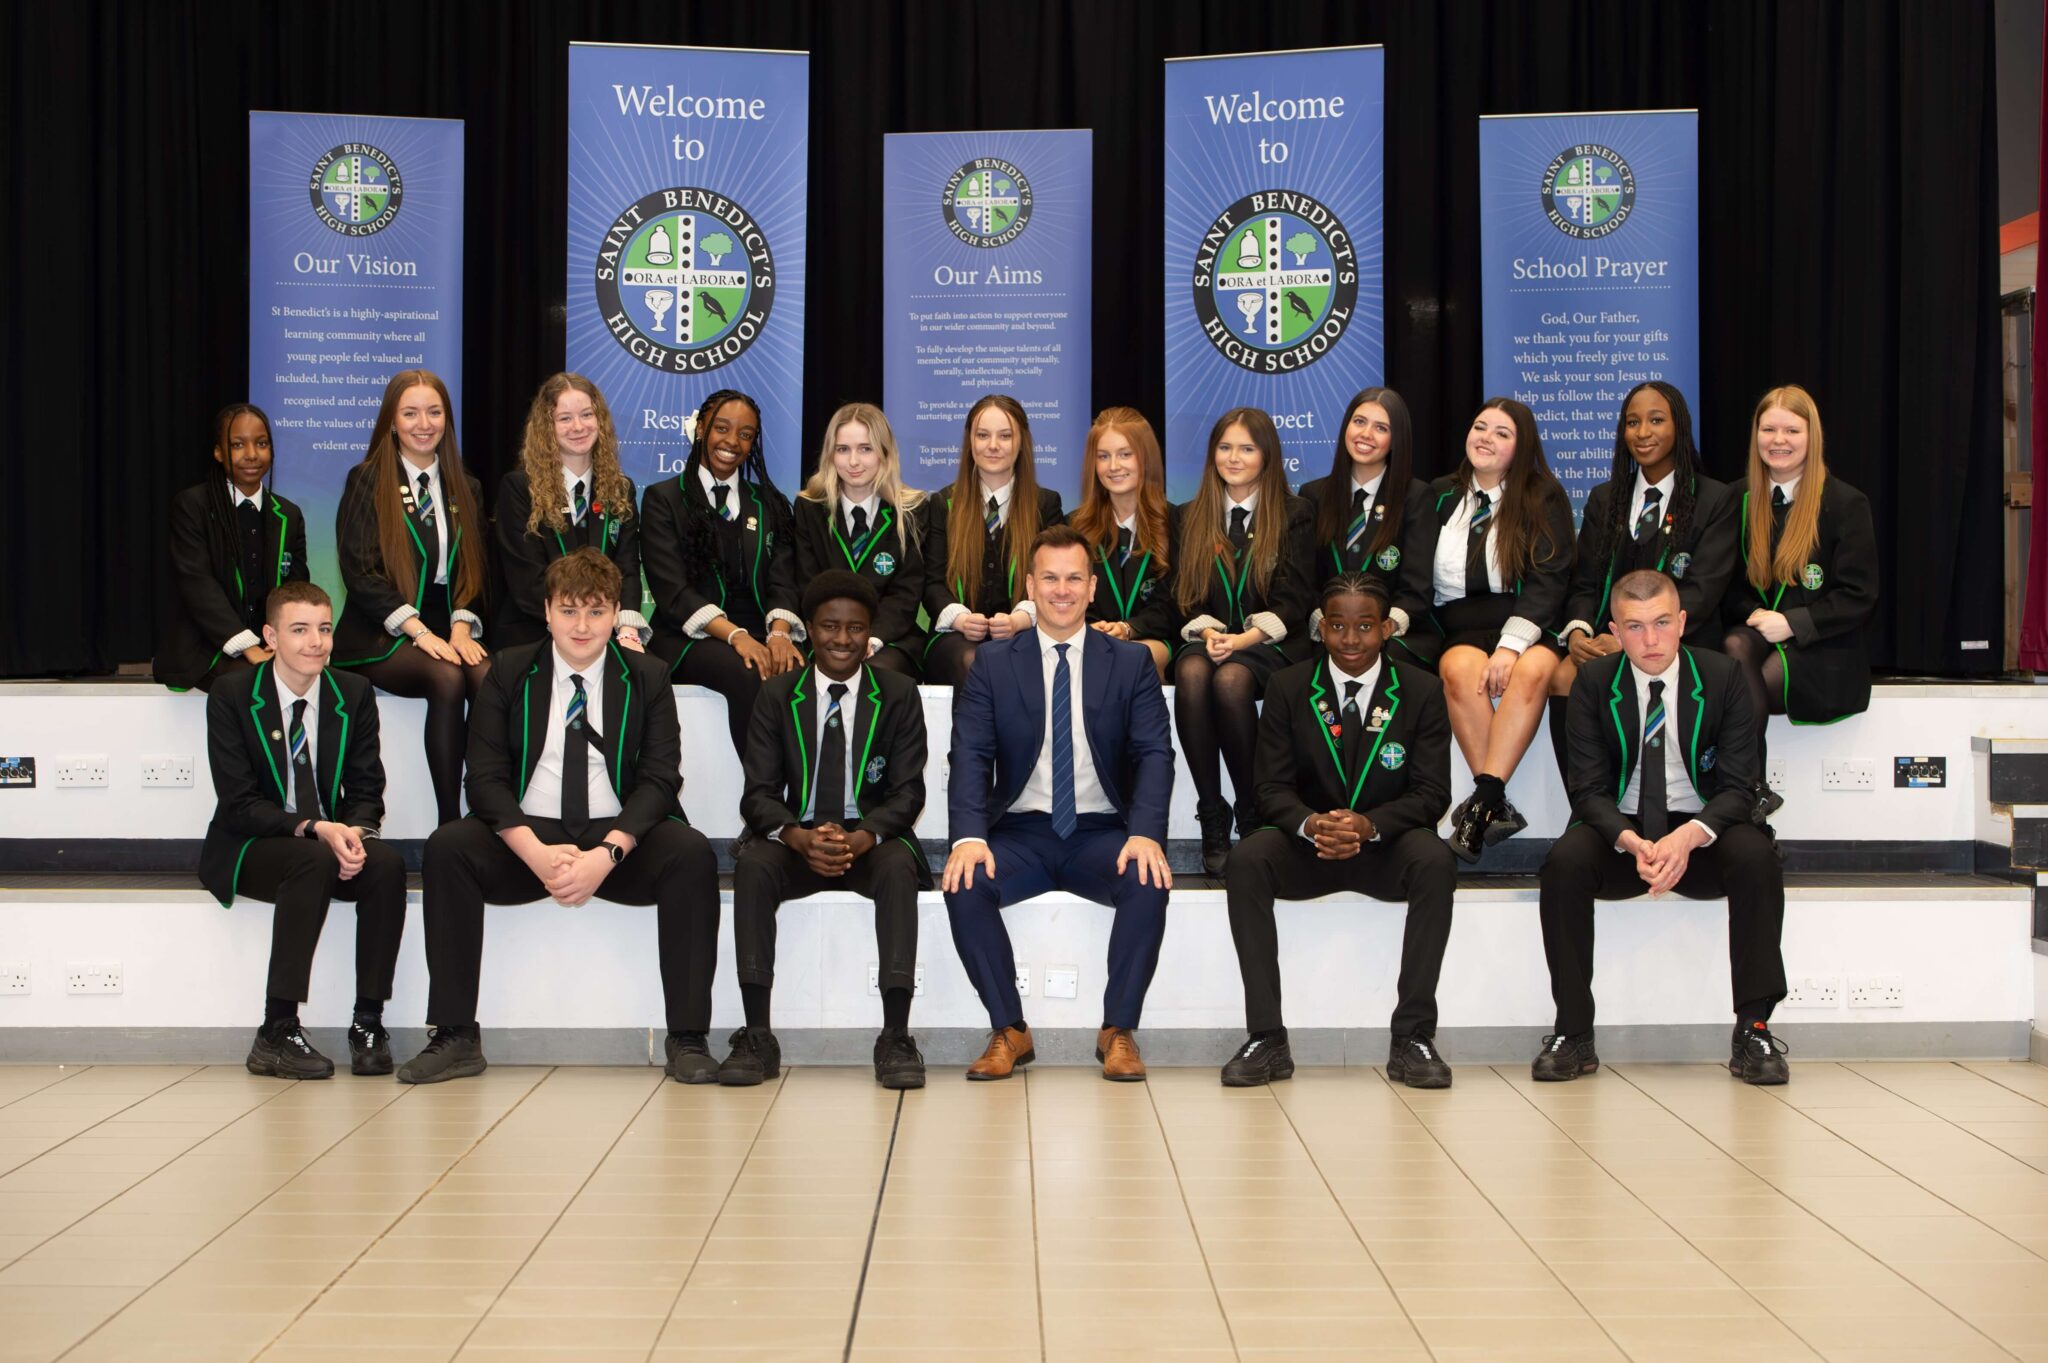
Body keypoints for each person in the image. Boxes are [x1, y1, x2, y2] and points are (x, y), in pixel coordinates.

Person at [396, 549, 721, 1085]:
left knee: (691, 855)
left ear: (617, 613)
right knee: (448, 847)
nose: (582, 626)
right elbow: (484, 778)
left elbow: (661, 779)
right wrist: (536, 853)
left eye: (596, 612)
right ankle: (455, 1035)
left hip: (612, 833)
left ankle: (687, 1038)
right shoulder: (506, 669)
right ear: (546, 611)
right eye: (569, 611)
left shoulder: (648, 675)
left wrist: (607, 854)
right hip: (530, 834)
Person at [1537, 569, 1789, 1085]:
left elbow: (1740, 786)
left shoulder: (1724, 677)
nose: (1650, 641)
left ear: (1682, 623)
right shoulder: (1591, 681)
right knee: (1563, 863)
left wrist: (1687, 836)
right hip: (1622, 831)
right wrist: (1628, 840)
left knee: (1756, 857)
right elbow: (1586, 790)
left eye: (1661, 624)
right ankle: (1573, 1030)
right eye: (1634, 627)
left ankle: (1754, 1026)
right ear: (1614, 628)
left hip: (1700, 831)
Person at [943, 525, 1175, 1082]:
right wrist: (970, 836)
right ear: (1030, 585)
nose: (1062, 590)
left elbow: (1154, 755)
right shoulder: (993, 664)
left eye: (1075, 578)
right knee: (964, 880)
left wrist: (1144, 832)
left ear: (1094, 587)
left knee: (1149, 877)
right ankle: (1009, 1030)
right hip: (1022, 832)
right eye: (1050, 577)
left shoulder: (1130, 662)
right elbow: (970, 754)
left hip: (1100, 831)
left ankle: (1117, 1031)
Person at [1221, 575, 1457, 1088]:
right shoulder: (1287, 687)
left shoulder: (1421, 691)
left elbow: (1432, 793)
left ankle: (1412, 1038)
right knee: (1247, 859)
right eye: (1338, 626)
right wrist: (1311, 824)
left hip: (1384, 845)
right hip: (1309, 846)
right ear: (1320, 629)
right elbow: (1270, 788)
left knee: (1436, 860)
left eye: (1366, 626)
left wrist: (1371, 825)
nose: (1351, 640)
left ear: (1388, 628)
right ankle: (1267, 1038)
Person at [732, 570, 933, 1089]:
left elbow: (908, 791)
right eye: (828, 626)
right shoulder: (778, 695)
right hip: (798, 838)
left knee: (897, 869)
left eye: (854, 628)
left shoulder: (898, 692)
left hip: (867, 839)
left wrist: (865, 836)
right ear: (810, 630)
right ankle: (757, 1034)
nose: (842, 639)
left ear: (870, 633)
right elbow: (757, 794)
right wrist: (795, 836)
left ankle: (895, 1035)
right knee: (753, 865)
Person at [199, 582, 405, 1080]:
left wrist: (356, 833)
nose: (316, 642)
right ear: (270, 636)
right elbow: (239, 803)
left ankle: (369, 1021)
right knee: (312, 856)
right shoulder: (231, 695)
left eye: (325, 628)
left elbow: (366, 786)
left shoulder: (351, 693)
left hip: (329, 838)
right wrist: (316, 828)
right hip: (252, 845)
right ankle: (276, 1028)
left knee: (387, 866)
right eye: (299, 630)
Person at [1397, 398, 1575, 862]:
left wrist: (1511, 647)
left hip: (1527, 623)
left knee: (1535, 671)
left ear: (1522, 446)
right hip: (1458, 626)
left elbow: (1549, 578)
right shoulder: (1437, 495)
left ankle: (1482, 803)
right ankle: (1494, 805)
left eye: (1502, 433)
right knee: (1457, 671)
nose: (1486, 438)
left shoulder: (1543, 495)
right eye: (1480, 427)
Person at [1548, 383, 1738, 782]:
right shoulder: (1605, 499)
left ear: (1679, 428)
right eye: (1633, 422)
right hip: (1611, 637)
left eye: (1656, 420)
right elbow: (1584, 583)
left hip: (1682, 639)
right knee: (1564, 674)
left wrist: (1633, 637)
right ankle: (1588, 807)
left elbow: (1704, 590)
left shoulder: (1713, 499)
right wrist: (1580, 631)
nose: (1642, 432)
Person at [331, 369, 491, 827]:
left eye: (434, 411)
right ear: (392, 421)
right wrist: (418, 632)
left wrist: (461, 624)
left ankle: (487, 806)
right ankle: (449, 824)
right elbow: (359, 572)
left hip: (446, 627)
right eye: (411, 412)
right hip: (380, 632)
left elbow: (475, 571)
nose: (424, 423)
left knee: (487, 677)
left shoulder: (467, 486)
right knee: (446, 679)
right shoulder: (366, 480)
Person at [1167, 406, 1315, 873]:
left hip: (1270, 644)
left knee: (1230, 681)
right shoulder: (1189, 515)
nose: (1234, 457)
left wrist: (1246, 638)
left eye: (1247, 448)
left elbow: (1295, 599)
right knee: (1191, 672)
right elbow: (1184, 597)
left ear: (1267, 457)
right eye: (1225, 447)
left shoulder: (1296, 514)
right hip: (1210, 637)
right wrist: (1211, 632)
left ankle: (1253, 810)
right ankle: (1212, 812)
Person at [1720, 385, 1880, 818]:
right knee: (1733, 650)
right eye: (1768, 428)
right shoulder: (1736, 500)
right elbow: (1724, 585)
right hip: (1755, 635)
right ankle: (1750, 787)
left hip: (1821, 649)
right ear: (1755, 435)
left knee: (1731, 681)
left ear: (1813, 437)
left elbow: (1858, 595)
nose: (1779, 440)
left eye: (1792, 429)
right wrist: (1750, 613)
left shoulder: (1845, 503)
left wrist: (1794, 623)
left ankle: (1738, 787)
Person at [642, 388, 804, 757]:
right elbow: (673, 594)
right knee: (748, 670)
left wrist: (779, 634)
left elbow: (783, 578)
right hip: (690, 638)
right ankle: (764, 803)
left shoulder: (770, 503)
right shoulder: (664, 499)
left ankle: (810, 795)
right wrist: (737, 637)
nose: (732, 441)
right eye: (722, 428)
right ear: (701, 429)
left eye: (745, 435)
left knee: (800, 669)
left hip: (761, 629)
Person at [159, 403, 310, 692]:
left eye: (262, 443)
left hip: (270, 649)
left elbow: (296, 589)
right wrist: (247, 646)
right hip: (205, 651)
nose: (252, 454)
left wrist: (287, 644)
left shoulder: (288, 514)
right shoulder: (194, 506)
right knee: (263, 685)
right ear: (218, 452)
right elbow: (198, 586)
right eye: (238, 445)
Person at [492, 373, 647, 651]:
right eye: (564, 418)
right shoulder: (518, 489)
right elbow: (528, 583)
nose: (578, 426)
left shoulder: (621, 490)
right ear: (546, 428)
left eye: (587, 415)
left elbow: (628, 570)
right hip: (535, 630)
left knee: (646, 672)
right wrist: (584, 623)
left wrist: (626, 629)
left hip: (604, 630)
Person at [919, 394, 1065, 686]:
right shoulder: (942, 504)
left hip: (1026, 633)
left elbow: (1053, 580)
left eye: (1005, 436)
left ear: (1021, 441)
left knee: (1022, 658)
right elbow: (932, 583)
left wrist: (1019, 620)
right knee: (974, 661)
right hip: (955, 641)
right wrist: (960, 618)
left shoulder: (1045, 505)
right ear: (970, 441)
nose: (993, 445)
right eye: (983, 435)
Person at [790, 403, 928, 676]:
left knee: (875, 674)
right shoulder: (810, 507)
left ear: (884, 453)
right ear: (831, 455)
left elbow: (906, 592)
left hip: (888, 639)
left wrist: (871, 638)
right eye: (843, 449)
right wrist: (839, 636)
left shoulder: (912, 509)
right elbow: (808, 584)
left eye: (865, 449)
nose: (853, 461)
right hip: (826, 638)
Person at [1297, 388, 1433, 646]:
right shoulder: (1313, 495)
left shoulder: (1416, 497)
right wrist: (1323, 624)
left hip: (1389, 635)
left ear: (1396, 439)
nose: (1366, 434)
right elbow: (1304, 581)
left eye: (1381, 428)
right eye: (1359, 422)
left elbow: (1416, 590)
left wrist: (1381, 629)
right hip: (1323, 634)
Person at [1070, 406, 1174, 680]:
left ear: (1146, 459)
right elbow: (1067, 593)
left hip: (1156, 639)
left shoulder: (1177, 523)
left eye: (1125, 454)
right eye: (1103, 456)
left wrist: (1129, 628)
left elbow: (1176, 603)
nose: (1113, 466)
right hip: (1091, 638)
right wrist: (1096, 628)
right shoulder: (1074, 528)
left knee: (1133, 658)